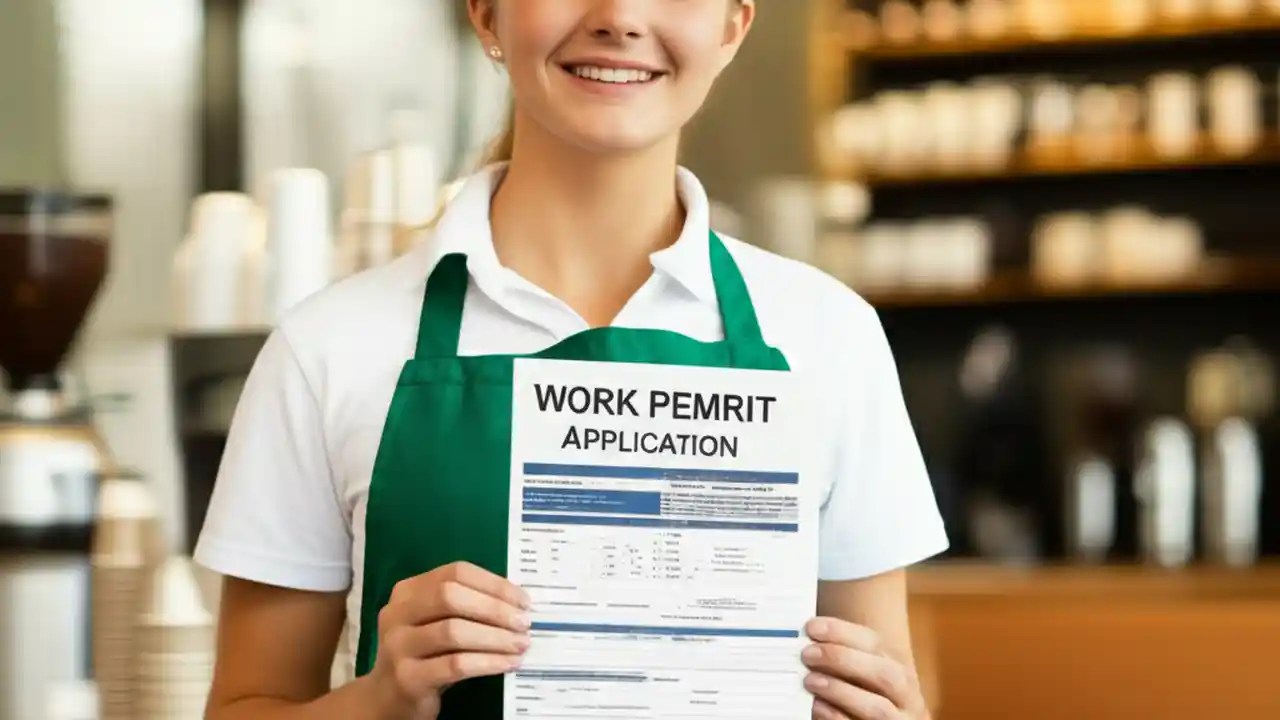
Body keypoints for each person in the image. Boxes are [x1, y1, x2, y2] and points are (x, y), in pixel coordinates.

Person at [197, 1, 950, 719]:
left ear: (732, 27)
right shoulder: (327, 350)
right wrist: (380, 702)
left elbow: (884, 686)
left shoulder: (831, 337)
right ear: (486, 12)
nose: (618, 17)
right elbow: (245, 706)